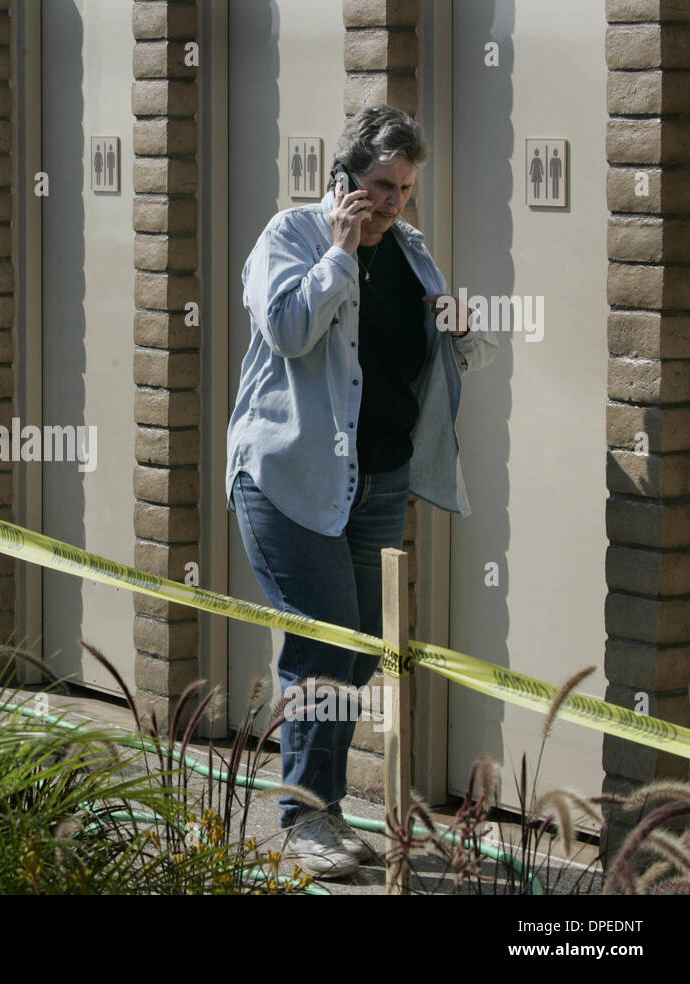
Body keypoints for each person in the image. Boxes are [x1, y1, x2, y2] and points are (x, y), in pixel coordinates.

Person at [226, 105, 497, 877]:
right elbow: (288, 332)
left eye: (405, 189)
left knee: (357, 655)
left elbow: (444, 361)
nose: (392, 203)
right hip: (286, 478)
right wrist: (341, 252)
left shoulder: (410, 251)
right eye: (381, 185)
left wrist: (462, 332)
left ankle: (330, 810)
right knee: (324, 642)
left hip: (376, 480)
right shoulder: (290, 238)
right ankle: (302, 818)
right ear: (342, 179)